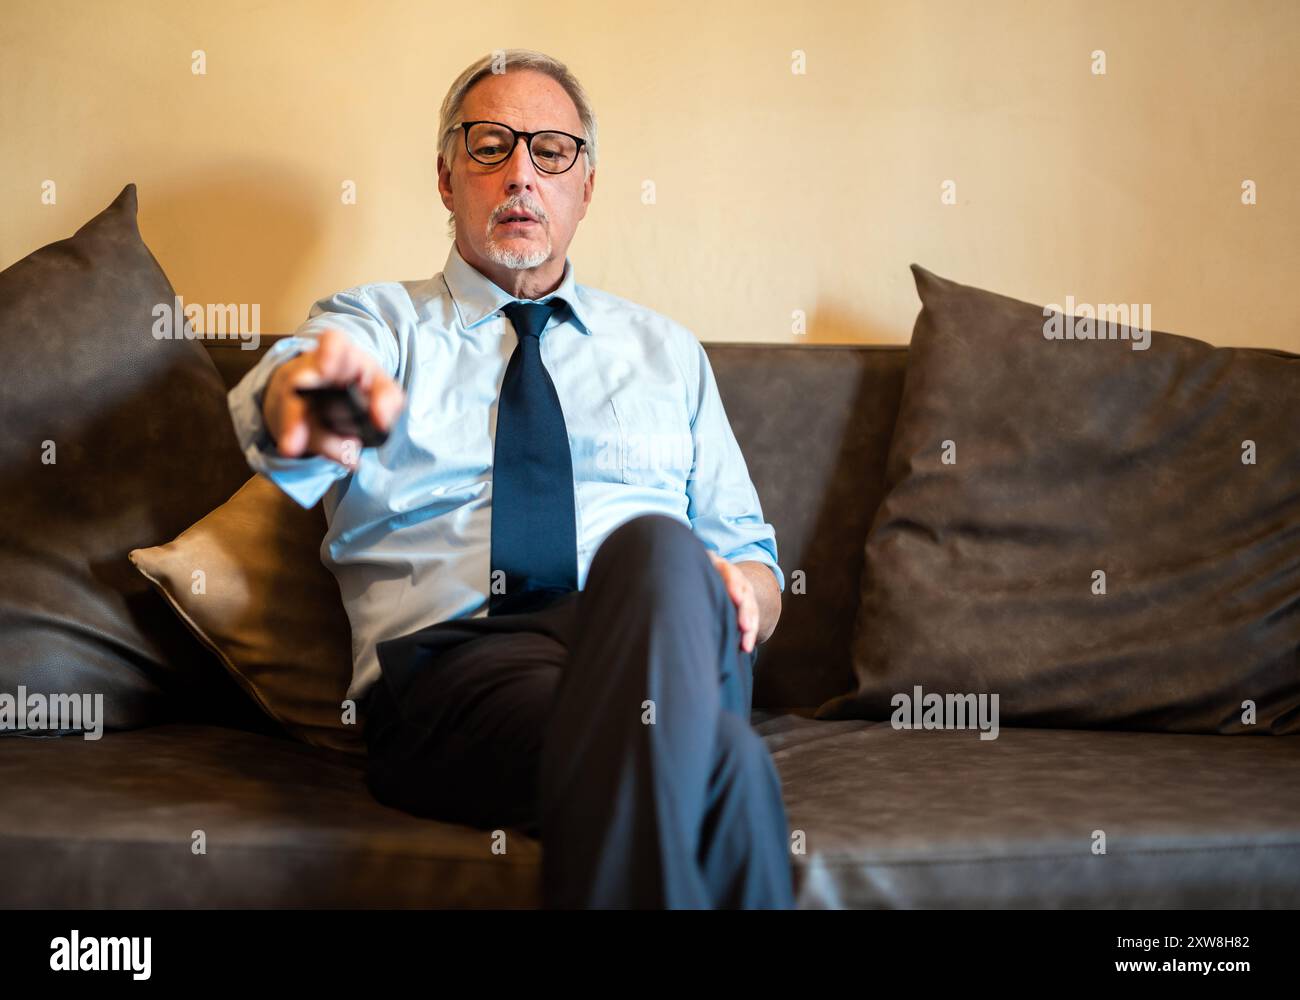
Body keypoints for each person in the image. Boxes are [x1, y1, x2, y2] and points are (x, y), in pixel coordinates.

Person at [227, 48, 794, 909]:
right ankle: (698, 746)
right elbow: (296, 400)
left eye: (552, 151)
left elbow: (750, 556)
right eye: (490, 146)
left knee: (657, 557)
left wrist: (746, 592)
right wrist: (310, 403)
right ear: (448, 178)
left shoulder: (667, 354)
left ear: (586, 188)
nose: (522, 172)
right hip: (464, 673)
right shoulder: (382, 324)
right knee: (729, 765)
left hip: (661, 642)